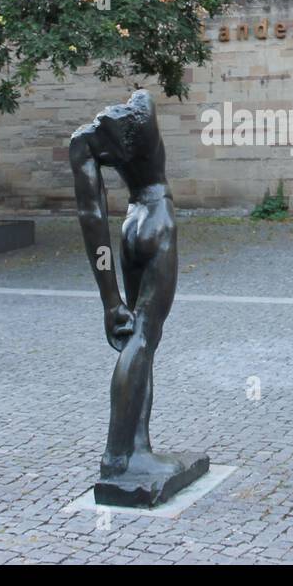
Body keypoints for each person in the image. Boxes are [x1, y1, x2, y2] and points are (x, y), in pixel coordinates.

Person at [70, 90, 206, 498]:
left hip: (131, 225)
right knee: (145, 337)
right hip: (157, 218)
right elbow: (143, 99)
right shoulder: (140, 113)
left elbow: (91, 215)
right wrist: (111, 301)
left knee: (137, 337)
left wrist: (110, 301)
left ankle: (136, 447)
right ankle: (118, 456)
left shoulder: (87, 142)